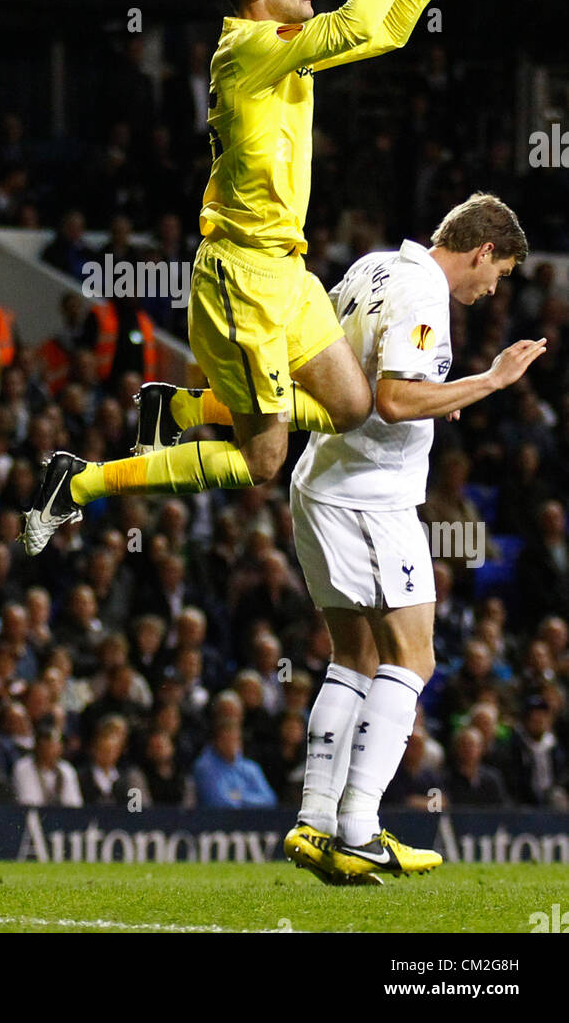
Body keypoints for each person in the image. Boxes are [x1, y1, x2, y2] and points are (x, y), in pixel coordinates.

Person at [22, 0, 460, 555]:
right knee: (262, 464)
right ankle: (77, 484)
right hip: (242, 282)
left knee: (351, 408)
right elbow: (353, 23)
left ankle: (184, 406)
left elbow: (385, 33)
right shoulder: (248, 49)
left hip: (287, 273)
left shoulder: (283, 50)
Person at [280, 194, 541, 883]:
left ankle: (316, 823)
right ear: (483, 250)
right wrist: (487, 382)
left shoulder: (371, 268)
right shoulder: (426, 292)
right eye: (500, 272)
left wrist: (436, 401)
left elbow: (342, 370)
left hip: (319, 479)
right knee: (414, 660)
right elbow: (395, 400)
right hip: (373, 496)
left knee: (354, 658)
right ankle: (361, 826)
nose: (493, 290)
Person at [192, 717, 277, 808]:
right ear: (216, 742)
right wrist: (248, 800)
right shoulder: (205, 767)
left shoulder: (251, 768)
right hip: (218, 820)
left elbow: (269, 799)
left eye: (235, 739)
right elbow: (219, 802)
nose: (231, 744)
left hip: (252, 820)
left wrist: (240, 797)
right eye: (226, 739)